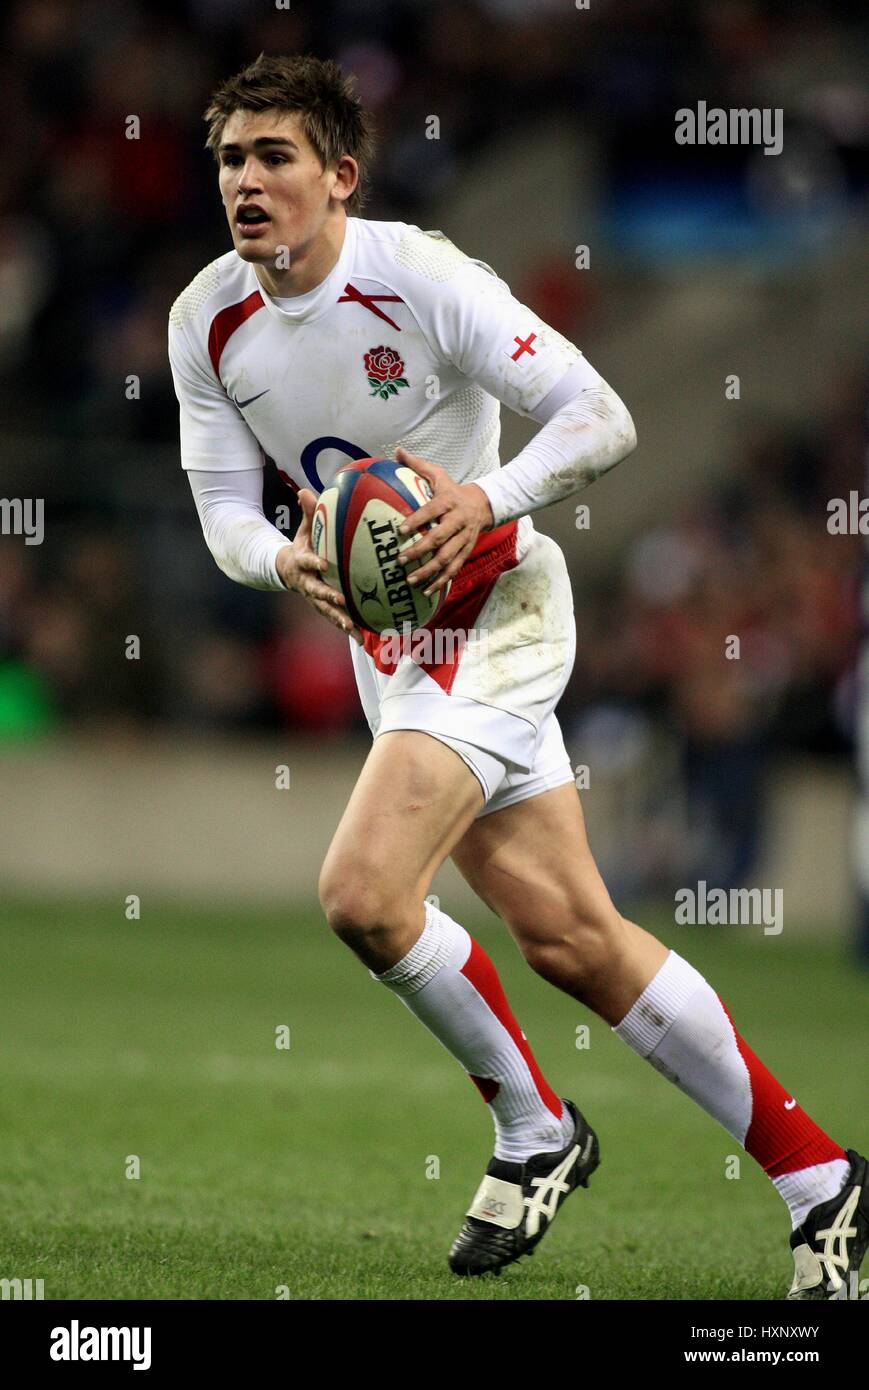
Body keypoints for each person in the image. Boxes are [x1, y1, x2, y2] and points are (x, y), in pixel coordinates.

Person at [169, 53, 867, 1295]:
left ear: (339, 177)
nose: (246, 182)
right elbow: (222, 505)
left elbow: (601, 416)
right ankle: (823, 1180)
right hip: (390, 645)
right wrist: (284, 559)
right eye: (229, 159)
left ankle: (536, 1130)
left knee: (365, 894)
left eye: (274, 157)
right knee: (569, 937)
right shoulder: (203, 319)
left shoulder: (421, 276)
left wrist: (481, 499)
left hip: (497, 612)